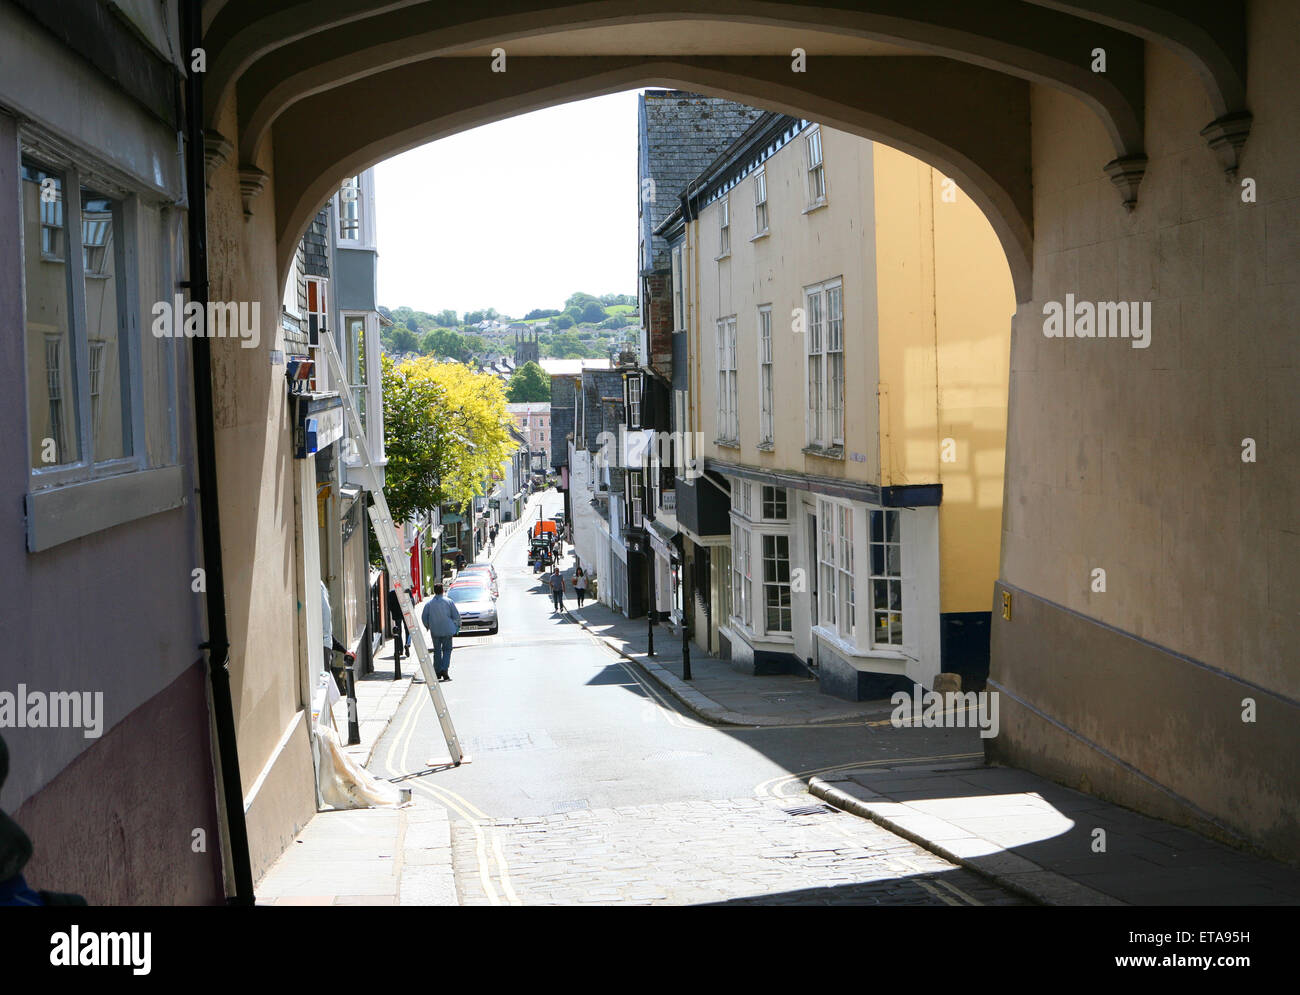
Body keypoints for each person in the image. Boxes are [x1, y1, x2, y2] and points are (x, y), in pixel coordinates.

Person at [420, 583, 461, 681]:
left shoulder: (429, 604)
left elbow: (424, 618)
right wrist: (457, 626)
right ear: (443, 590)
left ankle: (437, 671)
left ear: (434, 591)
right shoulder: (449, 602)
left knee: (437, 651)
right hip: (447, 630)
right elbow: (456, 616)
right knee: (447, 650)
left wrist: (428, 626)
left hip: (435, 631)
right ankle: (444, 670)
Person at [322, 579, 355, 694]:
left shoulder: (319, 588)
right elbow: (326, 632)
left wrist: (345, 651)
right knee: (324, 688)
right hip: (323, 648)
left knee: (325, 688)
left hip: (325, 646)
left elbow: (327, 632)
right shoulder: (319, 588)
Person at [386, 581, 408, 661]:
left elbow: (389, 605)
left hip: (397, 615)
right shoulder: (405, 593)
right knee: (407, 630)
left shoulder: (391, 594)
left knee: (398, 632)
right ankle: (407, 644)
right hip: (405, 614)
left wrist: (392, 612)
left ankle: (400, 649)